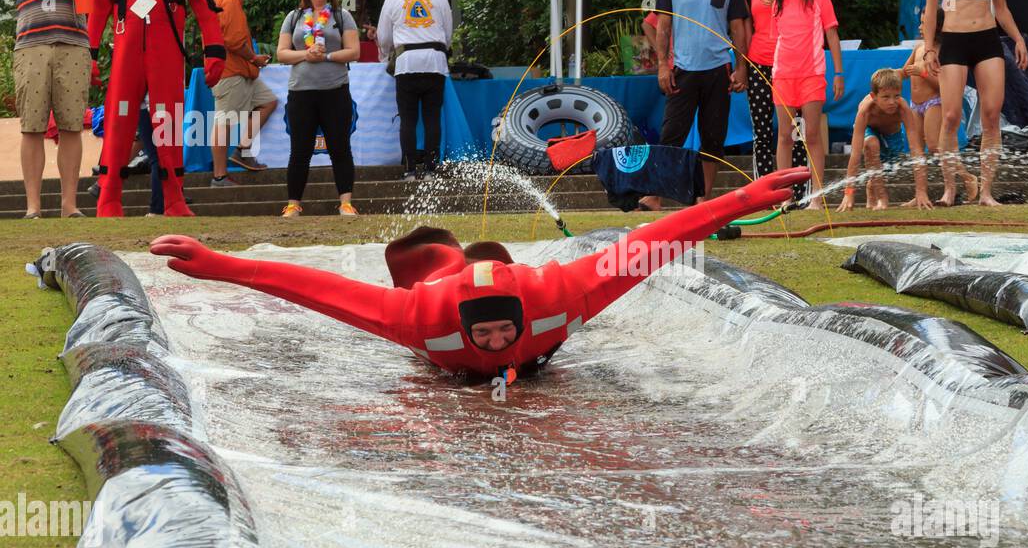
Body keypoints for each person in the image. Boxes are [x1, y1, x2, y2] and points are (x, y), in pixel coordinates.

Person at [149, 167, 810, 380]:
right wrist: (216, 264)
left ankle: (470, 257)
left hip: (522, 304)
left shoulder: (561, 296)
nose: (494, 350)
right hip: (437, 283)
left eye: (499, 338)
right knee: (430, 263)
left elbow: (656, 240)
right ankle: (446, 253)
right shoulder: (421, 316)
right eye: (488, 339)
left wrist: (752, 197)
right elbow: (314, 289)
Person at [90, 0, 225, 217]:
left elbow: (205, 6)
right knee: (119, 125)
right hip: (126, 59)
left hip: (165, 59)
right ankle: (108, 200)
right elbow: (97, 7)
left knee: (169, 127)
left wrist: (215, 51)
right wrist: (90, 54)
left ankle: (174, 201)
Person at [2, 0, 116, 218]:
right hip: (31, 44)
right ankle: (33, 206)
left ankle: (69, 205)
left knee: (70, 125)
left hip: (73, 42)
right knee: (31, 126)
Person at [920, 0, 1028, 206]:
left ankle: (986, 192)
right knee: (951, 115)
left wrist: (1018, 38)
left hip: (987, 40)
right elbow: (931, 7)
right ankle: (949, 189)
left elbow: (1002, 7)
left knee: (991, 116)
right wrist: (929, 47)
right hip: (953, 40)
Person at [655, 0, 748, 201]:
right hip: (683, 70)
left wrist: (742, 67)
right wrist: (662, 64)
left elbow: (738, 29)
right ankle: (655, 195)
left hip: (718, 71)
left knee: (713, 138)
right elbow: (662, 28)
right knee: (671, 134)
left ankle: (704, 198)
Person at [276, 0, 361, 217]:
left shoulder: (341, 15)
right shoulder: (294, 17)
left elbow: (354, 51)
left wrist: (325, 57)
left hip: (335, 89)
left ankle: (345, 203)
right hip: (301, 91)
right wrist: (306, 53)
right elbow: (281, 53)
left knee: (340, 147)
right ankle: (293, 204)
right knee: (300, 150)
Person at [771, 0, 843, 209]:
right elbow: (778, 39)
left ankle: (817, 196)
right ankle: (785, 196)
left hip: (812, 74)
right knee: (784, 136)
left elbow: (832, 36)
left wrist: (838, 73)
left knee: (812, 134)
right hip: (782, 76)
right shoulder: (777, 2)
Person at [376, 0, 453, 181]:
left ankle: (410, 169)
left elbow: (383, 35)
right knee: (432, 118)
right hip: (435, 61)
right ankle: (430, 170)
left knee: (408, 119)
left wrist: (385, 55)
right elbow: (448, 33)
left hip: (406, 63)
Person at [743, 0, 807, 184]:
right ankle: (765, 191)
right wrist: (742, 67)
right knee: (762, 131)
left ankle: (801, 188)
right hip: (759, 64)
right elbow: (745, 33)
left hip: (793, 67)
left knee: (796, 130)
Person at [209, 0, 274, 183]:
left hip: (240, 71)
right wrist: (254, 58)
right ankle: (219, 177)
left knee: (268, 102)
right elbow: (234, 41)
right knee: (224, 122)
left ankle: (243, 150)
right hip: (229, 71)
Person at [837, 68, 930, 211]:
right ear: (874, 96)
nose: (892, 102)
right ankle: (882, 198)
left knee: (885, 170)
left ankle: (871, 186)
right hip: (870, 131)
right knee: (871, 144)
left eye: (896, 96)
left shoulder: (903, 108)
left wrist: (921, 191)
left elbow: (916, 149)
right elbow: (855, 155)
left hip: (892, 135)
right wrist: (848, 193)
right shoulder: (865, 111)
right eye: (886, 97)